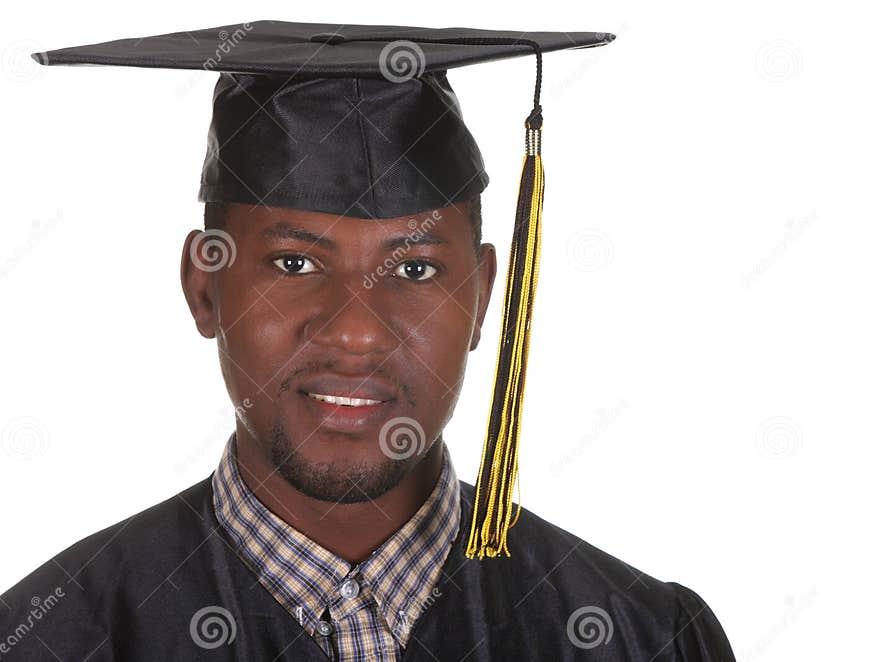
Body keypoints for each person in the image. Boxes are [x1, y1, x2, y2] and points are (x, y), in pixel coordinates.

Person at [0, 21, 736, 661]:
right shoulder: (50, 637)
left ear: (482, 298)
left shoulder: (644, 639)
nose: (355, 330)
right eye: (294, 264)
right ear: (204, 287)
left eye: (415, 268)